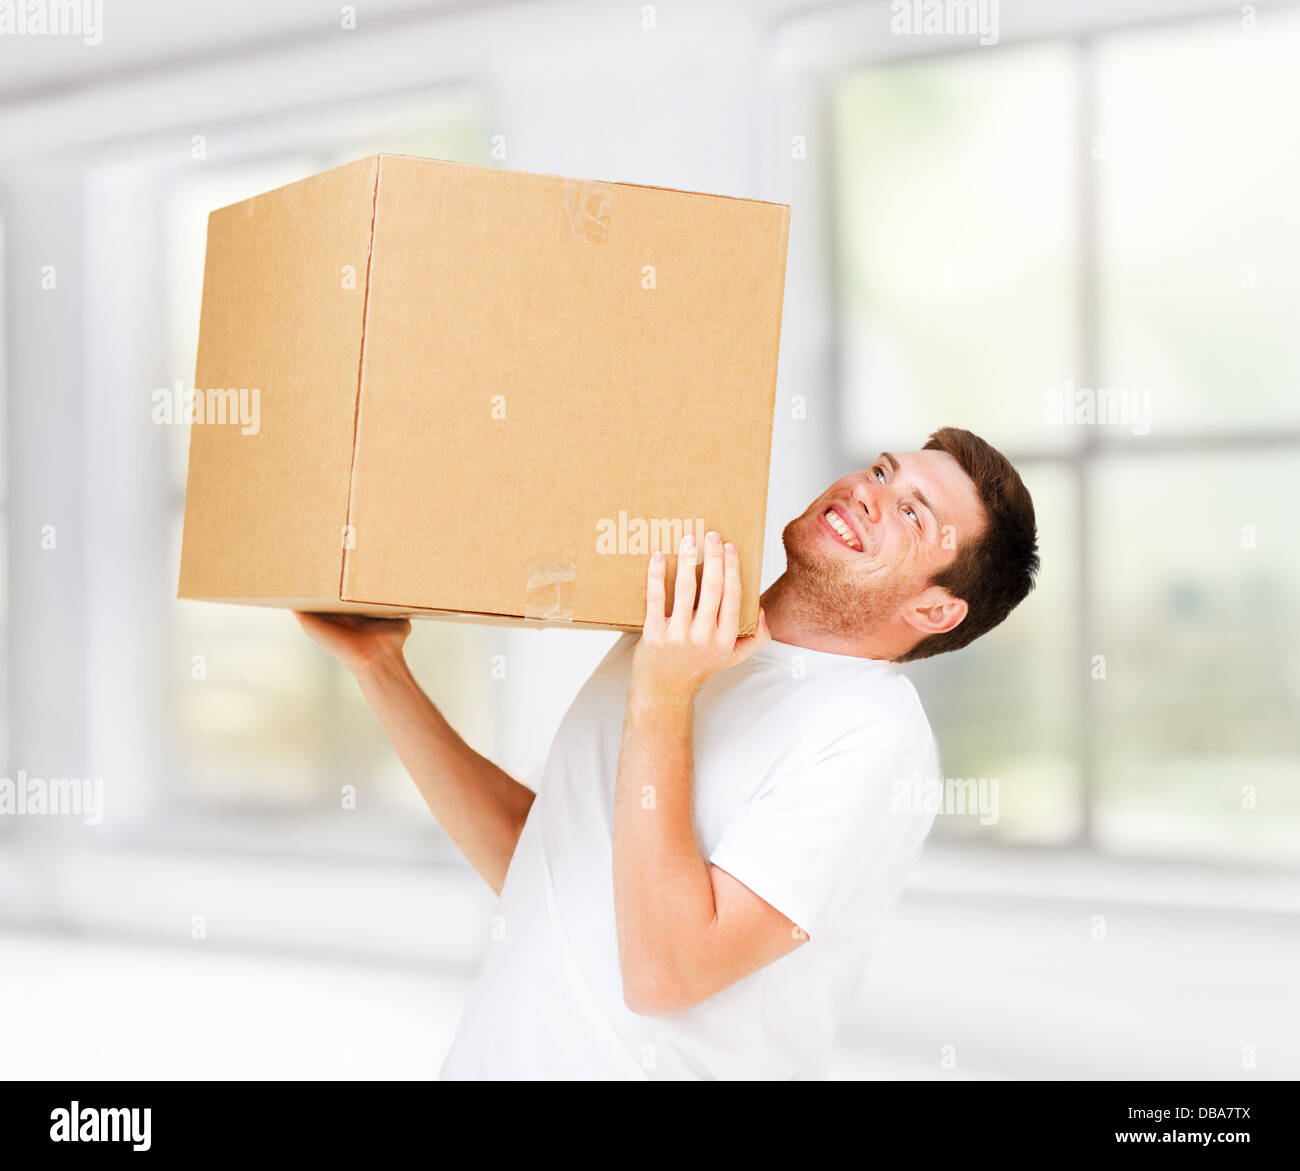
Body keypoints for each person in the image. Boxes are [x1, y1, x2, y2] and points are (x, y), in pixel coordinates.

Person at [296, 426, 1039, 1079]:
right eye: (883, 471)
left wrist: (662, 692)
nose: (871, 494)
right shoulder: (690, 628)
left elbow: (666, 971)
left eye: (914, 513)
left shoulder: (874, 735)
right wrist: (380, 666)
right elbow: (542, 858)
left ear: (936, 610)